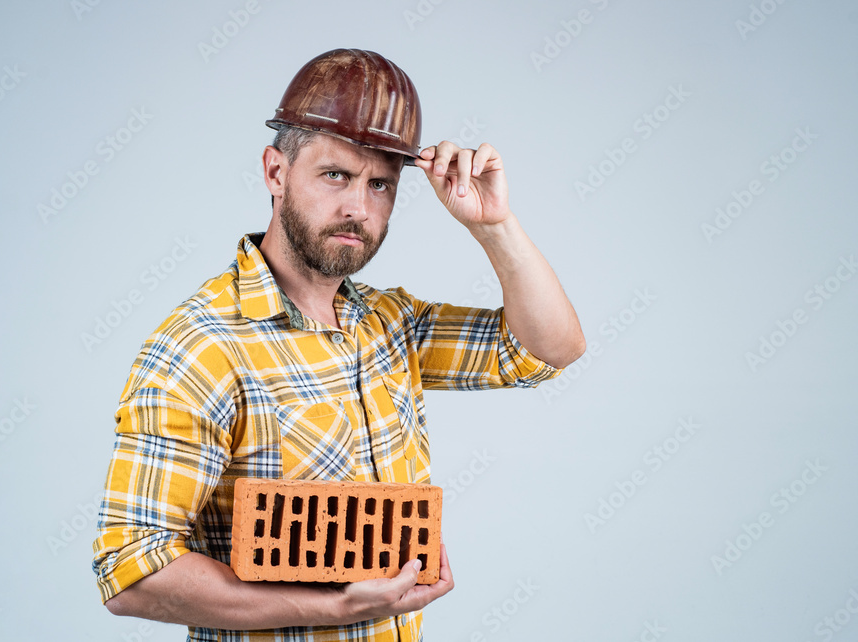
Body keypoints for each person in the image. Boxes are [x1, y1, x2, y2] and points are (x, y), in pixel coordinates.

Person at [92, 48, 585, 641]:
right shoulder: (201, 347)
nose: (358, 206)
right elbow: (130, 572)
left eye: (380, 184)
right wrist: (334, 608)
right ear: (276, 172)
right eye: (336, 175)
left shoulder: (388, 322)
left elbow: (547, 349)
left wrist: (494, 226)